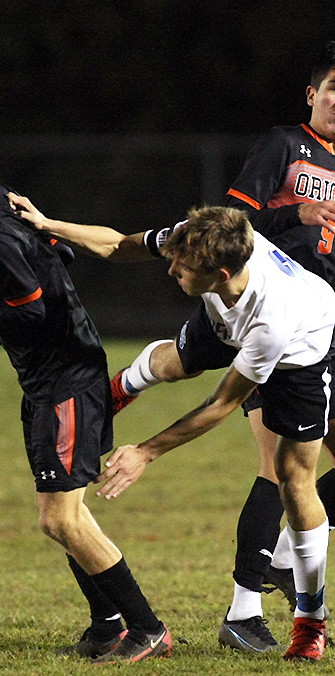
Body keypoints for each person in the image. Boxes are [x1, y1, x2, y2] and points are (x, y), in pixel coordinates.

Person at [107, 37, 335, 656]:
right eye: (334, 88)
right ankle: (244, 612)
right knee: (279, 469)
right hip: (260, 316)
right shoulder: (282, 147)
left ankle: (275, 555)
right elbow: (228, 226)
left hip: (312, 331)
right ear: (312, 94)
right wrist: (294, 214)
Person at [10, 200, 335, 661]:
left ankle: (310, 620)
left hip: (298, 357)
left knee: (294, 478)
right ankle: (124, 386)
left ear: (221, 275)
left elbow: (222, 404)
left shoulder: (272, 321)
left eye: (183, 270)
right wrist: (49, 224)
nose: (172, 274)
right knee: (175, 363)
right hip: (224, 319)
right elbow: (116, 245)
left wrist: (145, 452)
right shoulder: (196, 237)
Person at [0, 185, 171, 664]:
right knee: (60, 519)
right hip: (47, 382)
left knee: (60, 517)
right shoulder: (11, 214)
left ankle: (147, 628)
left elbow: (30, 311)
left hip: (65, 383)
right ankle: (106, 625)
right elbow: (64, 255)